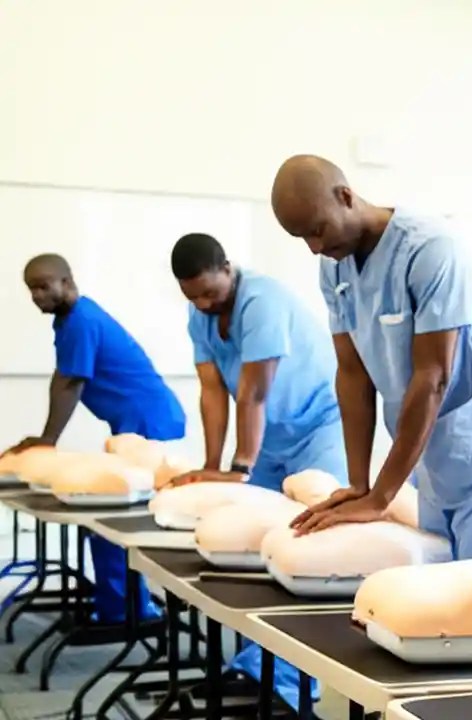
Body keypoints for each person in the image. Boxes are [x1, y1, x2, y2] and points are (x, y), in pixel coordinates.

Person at [270, 154, 472, 574]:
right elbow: (353, 376)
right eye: (302, 238)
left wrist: (380, 498)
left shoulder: (431, 250)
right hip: (432, 459)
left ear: (345, 196)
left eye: (318, 229)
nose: (315, 247)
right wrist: (359, 485)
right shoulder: (335, 269)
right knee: (441, 597)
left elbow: (432, 377)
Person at [169, 232, 347, 711]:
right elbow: (212, 392)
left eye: (209, 292)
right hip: (270, 434)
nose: (203, 304)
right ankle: (257, 667)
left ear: (227, 269)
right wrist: (211, 468)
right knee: (257, 546)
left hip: (320, 424)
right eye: (192, 296)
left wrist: (239, 466)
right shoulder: (200, 314)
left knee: (313, 549)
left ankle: (295, 684)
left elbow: (253, 392)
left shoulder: (261, 301)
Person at [5, 254, 185, 624]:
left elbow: (72, 383)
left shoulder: (81, 320)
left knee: (113, 522)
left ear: (67, 281)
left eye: (43, 286)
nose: (37, 295)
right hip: (134, 421)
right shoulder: (69, 320)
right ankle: (120, 604)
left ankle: (127, 610)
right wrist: (44, 437)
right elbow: (63, 377)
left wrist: (47, 439)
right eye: (31, 289)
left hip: (146, 421)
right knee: (107, 520)